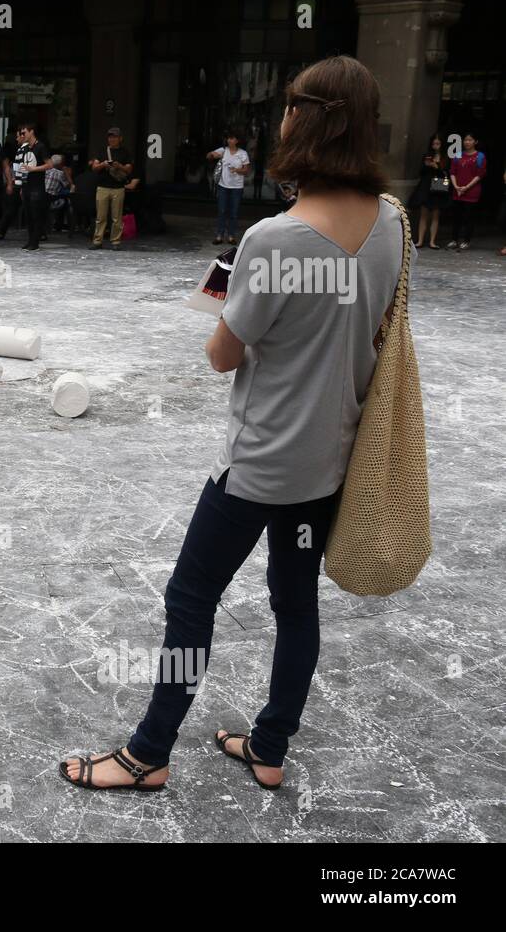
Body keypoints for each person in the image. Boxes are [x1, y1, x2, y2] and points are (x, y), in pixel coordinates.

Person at [60, 55, 409, 794]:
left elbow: (224, 356)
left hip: (258, 465)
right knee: (295, 603)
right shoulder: (390, 226)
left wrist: (228, 297)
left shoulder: (274, 240)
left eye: (289, 104)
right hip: (328, 464)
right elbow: (372, 327)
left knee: (190, 598)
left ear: (308, 119)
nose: (280, 116)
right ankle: (270, 745)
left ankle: (148, 753)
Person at [89, 127, 134, 250]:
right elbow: (94, 167)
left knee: (117, 217)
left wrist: (119, 166)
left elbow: (129, 169)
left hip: (118, 188)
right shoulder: (102, 150)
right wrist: (103, 164)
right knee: (100, 216)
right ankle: (97, 240)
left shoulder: (125, 152)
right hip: (102, 187)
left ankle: (115, 241)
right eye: (110, 137)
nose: (112, 139)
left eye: (114, 137)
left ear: (120, 138)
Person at [11, 123, 53, 251]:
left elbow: (50, 164)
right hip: (27, 185)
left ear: (31, 132)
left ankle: (35, 241)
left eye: (24, 133)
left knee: (36, 214)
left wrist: (34, 169)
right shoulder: (26, 148)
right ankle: (30, 240)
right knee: (28, 214)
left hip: (37, 185)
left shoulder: (40, 147)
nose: (22, 135)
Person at [207, 132, 251, 245]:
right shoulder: (223, 150)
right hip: (223, 186)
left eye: (232, 138)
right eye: (228, 139)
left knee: (234, 213)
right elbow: (209, 156)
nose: (229, 141)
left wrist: (237, 170)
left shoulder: (243, 154)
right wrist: (211, 155)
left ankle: (231, 236)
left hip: (237, 187)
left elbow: (246, 171)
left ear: (237, 141)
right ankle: (219, 235)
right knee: (221, 211)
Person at [408, 134, 449, 249]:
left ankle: (432, 241)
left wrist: (437, 166)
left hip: (439, 184)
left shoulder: (445, 157)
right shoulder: (427, 156)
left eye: (438, 143)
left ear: (442, 144)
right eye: (434, 143)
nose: (436, 146)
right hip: (426, 185)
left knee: (436, 214)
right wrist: (427, 165)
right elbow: (421, 172)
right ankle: (420, 240)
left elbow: (446, 173)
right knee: (423, 214)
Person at [447, 133, 485, 251]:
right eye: (465, 140)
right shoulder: (458, 155)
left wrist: (466, 187)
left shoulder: (480, 156)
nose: (467, 142)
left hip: (472, 191)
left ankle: (466, 240)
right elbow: (452, 172)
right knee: (456, 216)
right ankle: (454, 239)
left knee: (468, 217)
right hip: (457, 191)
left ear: (475, 142)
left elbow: (480, 175)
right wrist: (456, 186)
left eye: (470, 140)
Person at [44, 153, 70, 238]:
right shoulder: (60, 173)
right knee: (64, 202)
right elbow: (68, 185)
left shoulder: (44, 169)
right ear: (59, 164)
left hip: (42, 194)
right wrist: (67, 173)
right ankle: (61, 224)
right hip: (51, 197)